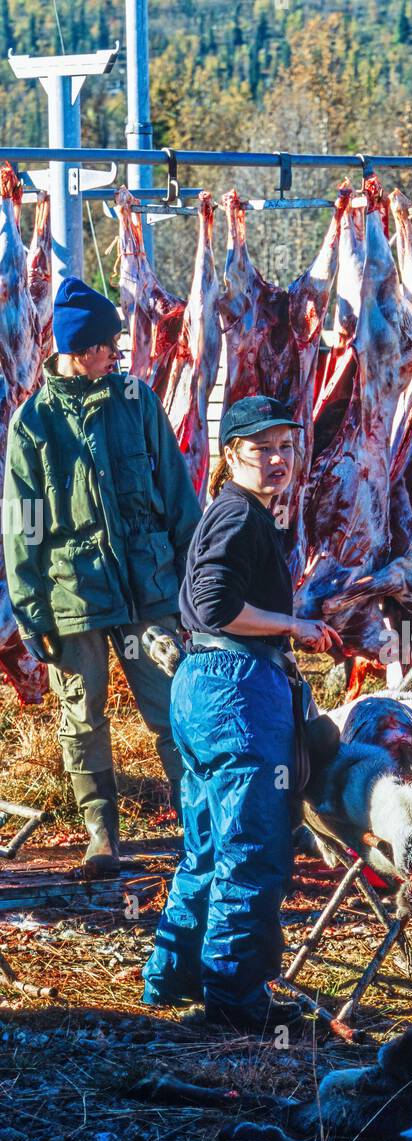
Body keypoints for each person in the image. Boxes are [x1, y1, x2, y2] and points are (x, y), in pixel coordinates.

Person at [141, 396, 340, 1032]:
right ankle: (233, 1003)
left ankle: (173, 979)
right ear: (232, 456)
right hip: (234, 689)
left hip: (205, 686)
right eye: (263, 449)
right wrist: (295, 624)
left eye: (286, 447)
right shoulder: (236, 513)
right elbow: (215, 604)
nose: (278, 459)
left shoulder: (240, 511)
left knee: (207, 847)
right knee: (253, 851)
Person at [2, 276, 201, 874]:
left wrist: (195, 586)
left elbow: (178, 497)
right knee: (81, 714)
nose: (117, 354)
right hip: (73, 596)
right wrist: (30, 606)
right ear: (81, 349)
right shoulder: (33, 423)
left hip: (149, 592)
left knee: (171, 709)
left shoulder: (138, 404)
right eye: (110, 344)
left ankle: (203, 824)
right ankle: (101, 835)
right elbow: (25, 525)